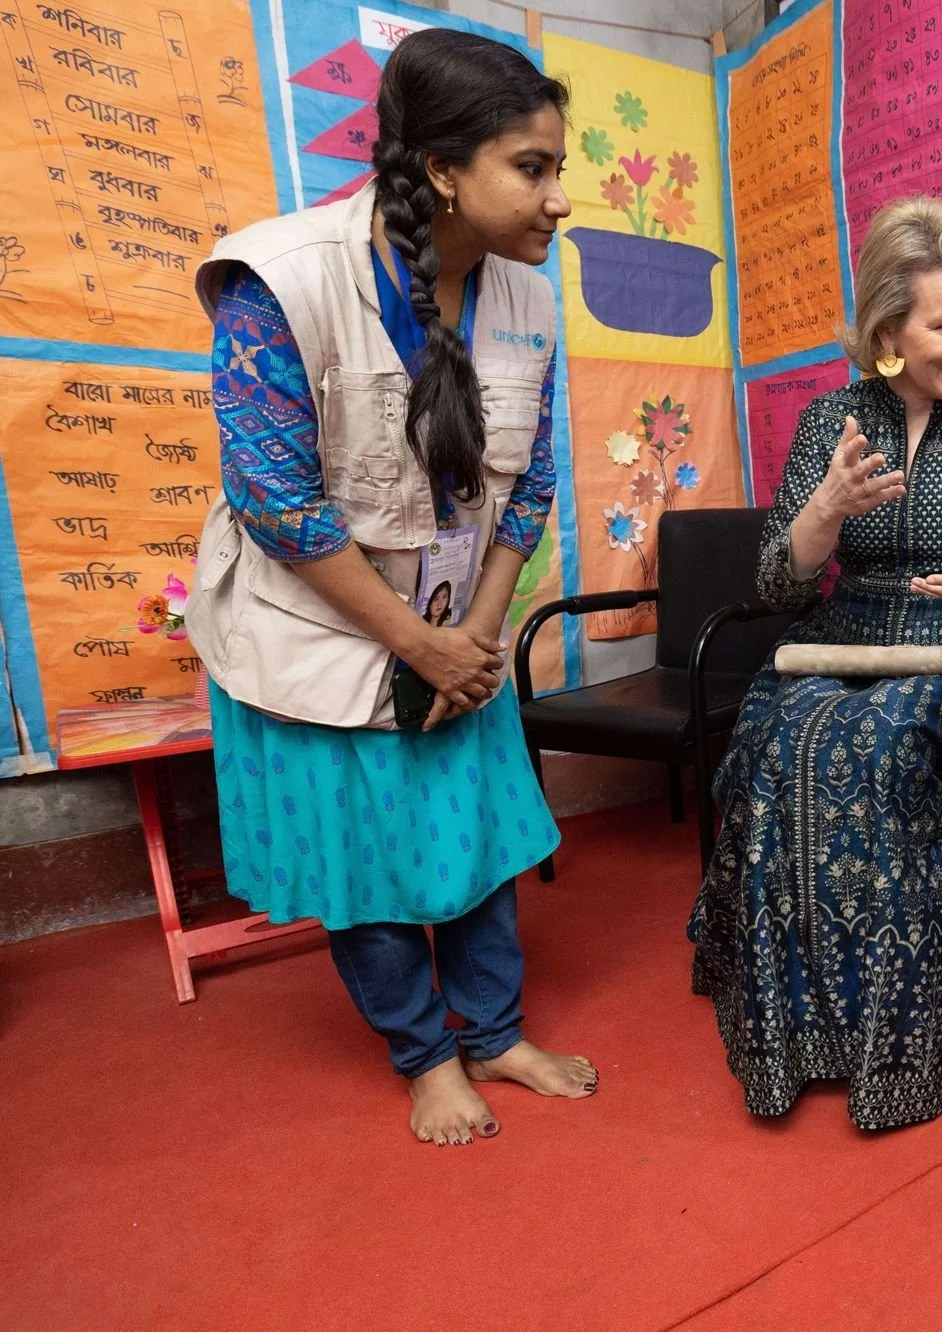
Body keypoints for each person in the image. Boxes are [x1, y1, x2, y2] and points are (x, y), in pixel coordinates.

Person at [186, 29, 597, 1147]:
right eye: (532, 167)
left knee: (477, 835)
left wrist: (473, 631)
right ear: (441, 172)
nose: (557, 199)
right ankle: (423, 1055)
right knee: (367, 857)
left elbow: (533, 480)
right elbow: (276, 501)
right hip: (318, 623)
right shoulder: (278, 280)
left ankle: (494, 1031)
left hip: (453, 620)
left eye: (558, 167)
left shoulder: (523, 297)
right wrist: (411, 645)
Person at [689, 196, 942, 1131]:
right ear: (888, 331)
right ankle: (799, 1011)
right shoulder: (832, 423)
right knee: (771, 742)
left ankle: (896, 1027)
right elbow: (780, 583)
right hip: (837, 630)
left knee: (880, 747)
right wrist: (823, 513)